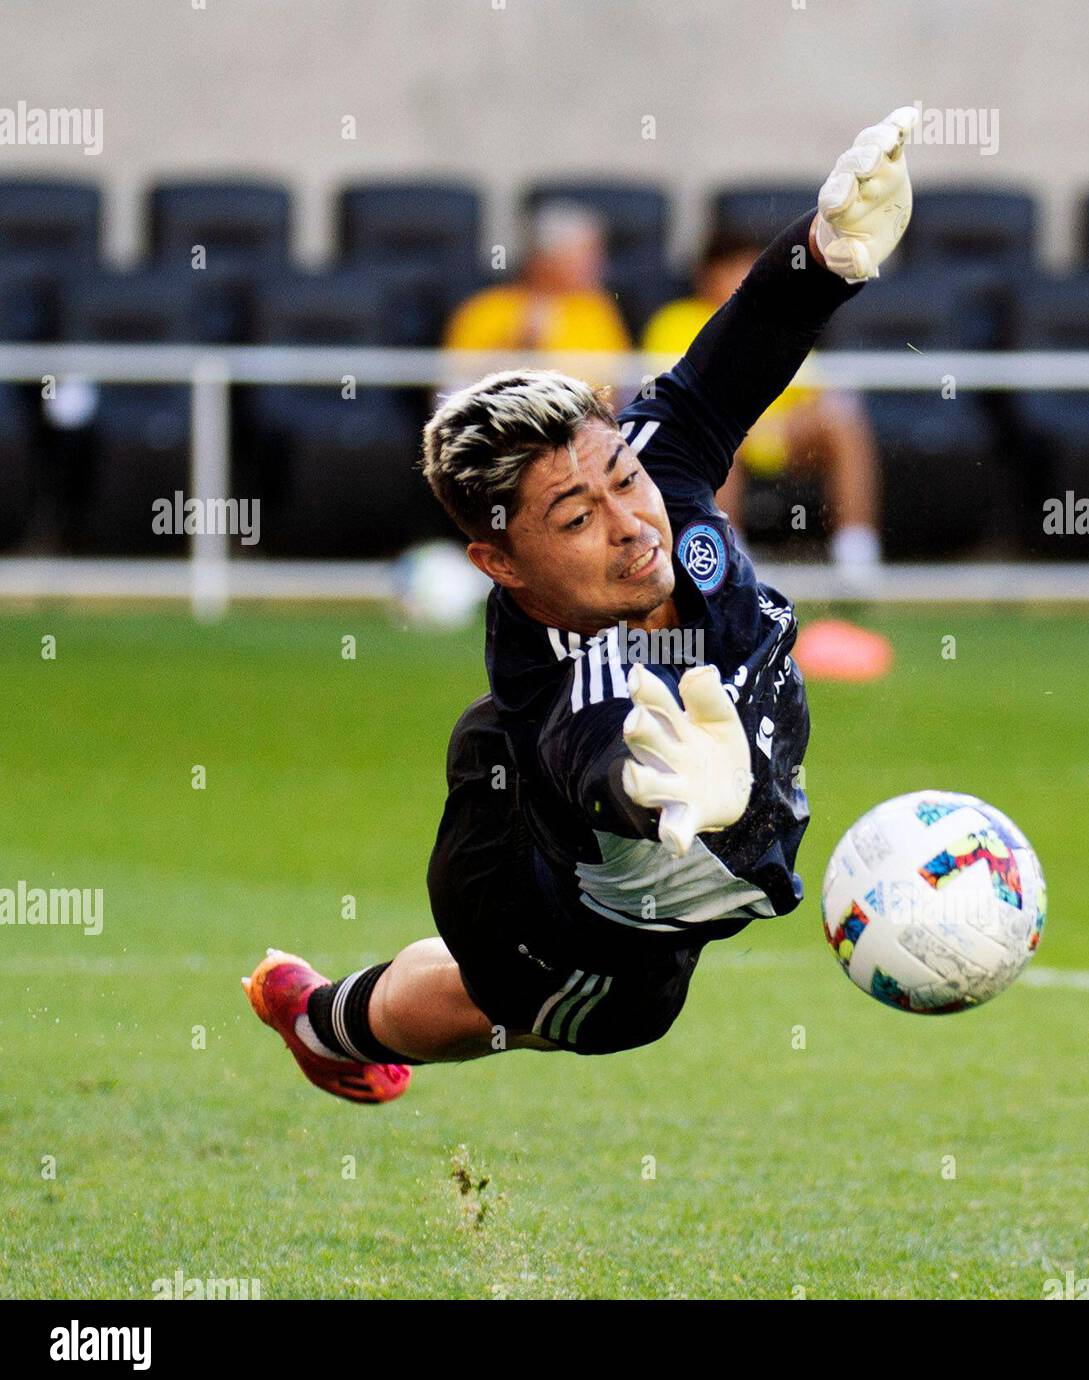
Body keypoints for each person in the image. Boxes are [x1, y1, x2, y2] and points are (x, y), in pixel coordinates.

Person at [243, 108, 919, 1101]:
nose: (630, 521)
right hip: (554, 906)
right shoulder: (568, 675)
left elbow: (723, 369)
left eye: (619, 478)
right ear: (500, 561)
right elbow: (594, 750)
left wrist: (818, 257)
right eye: (573, 515)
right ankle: (325, 1023)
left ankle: (325, 1011)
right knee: (554, 1008)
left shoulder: (650, 463)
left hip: (583, 800)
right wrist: (670, 786)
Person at [642, 231, 884, 578]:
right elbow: (672, 397)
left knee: (843, 421)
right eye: (733, 266)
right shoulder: (675, 321)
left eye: (750, 264)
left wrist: (776, 426)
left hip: (779, 432)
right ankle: (730, 556)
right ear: (707, 275)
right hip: (713, 435)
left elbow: (813, 390)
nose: (744, 273)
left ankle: (856, 554)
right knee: (719, 432)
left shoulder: (775, 318)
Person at [442, 200, 630, 360]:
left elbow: (625, 387)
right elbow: (451, 393)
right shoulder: (484, 311)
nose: (598, 263)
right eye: (585, 253)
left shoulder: (597, 309)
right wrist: (516, 351)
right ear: (544, 260)